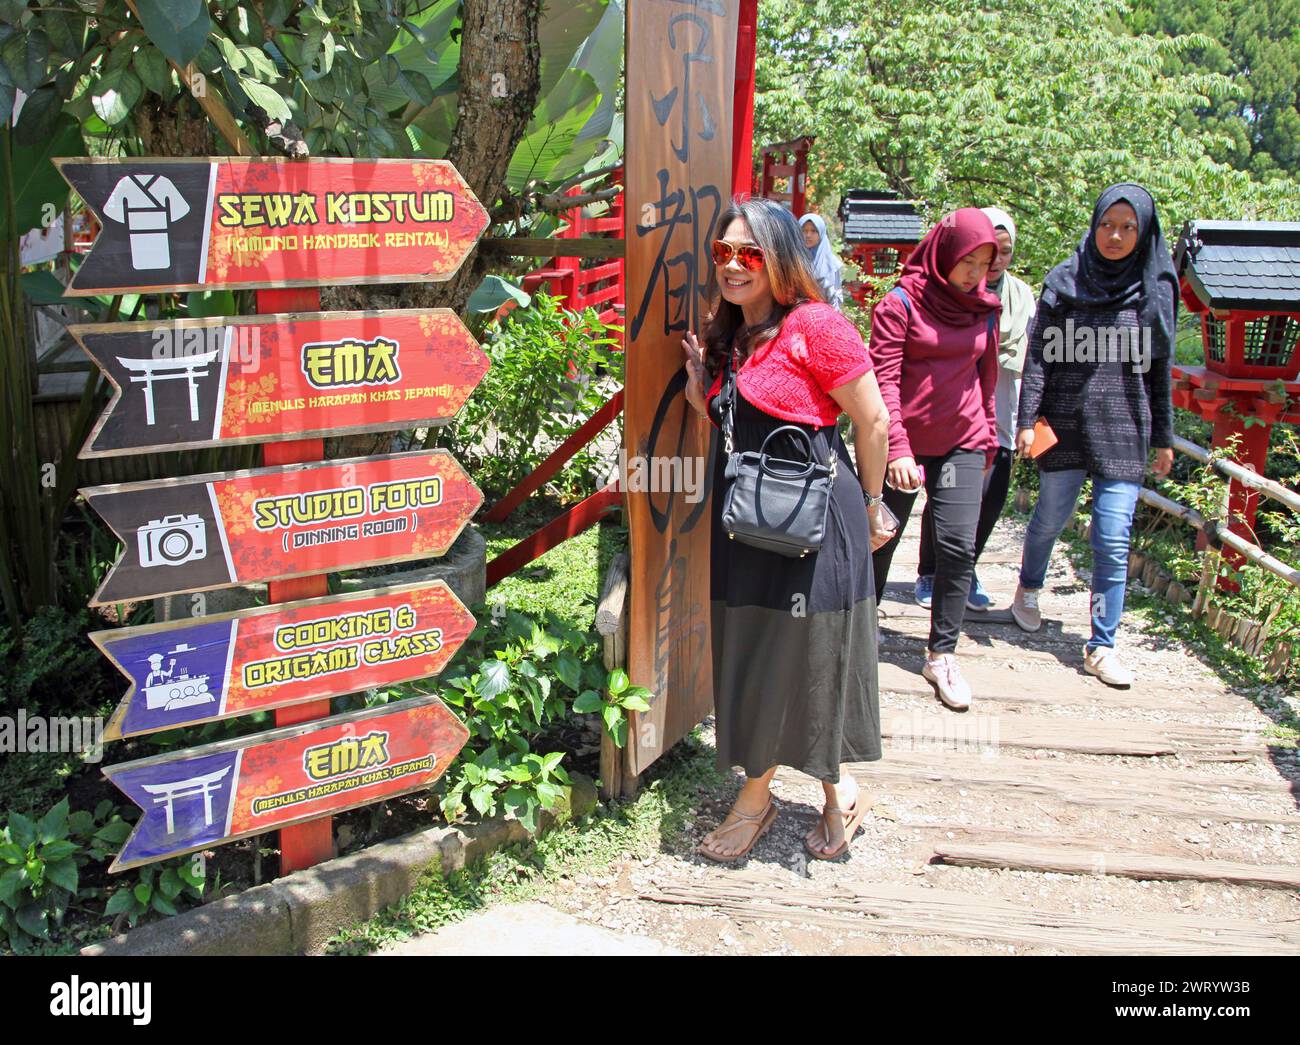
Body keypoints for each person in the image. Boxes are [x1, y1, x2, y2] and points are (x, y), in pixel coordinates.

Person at [680, 197, 894, 863]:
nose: (735, 265)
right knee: (769, 650)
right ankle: (839, 793)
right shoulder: (731, 335)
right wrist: (700, 383)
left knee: (810, 652)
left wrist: (872, 501)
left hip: (813, 523)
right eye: (724, 253)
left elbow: (874, 420)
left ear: (780, 259)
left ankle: (755, 799)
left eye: (750, 253)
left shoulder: (818, 327)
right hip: (748, 521)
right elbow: (736, 421)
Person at [1012, 183, 1176, 686]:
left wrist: (1164, 437)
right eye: (1108, 224)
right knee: (1048, 519)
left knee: (1111, 537)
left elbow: (1160, 369)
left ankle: (1102, 644)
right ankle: (1028, 588)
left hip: (1125, 428)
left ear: (1143, 231)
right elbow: (1039, 356)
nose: (1116, 236)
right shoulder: (1065, 280)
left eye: (1128, 227)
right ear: (1094, 223)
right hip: (1059, 425)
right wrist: (1025, 420)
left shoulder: (1155, 286)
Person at [868, 208, 1002, 711]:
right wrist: (898, 447)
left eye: (985, 263)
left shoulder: (985, 308)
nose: (975, 274)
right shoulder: (900, 304)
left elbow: (985, 379)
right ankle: (862, 627)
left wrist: (987, 437)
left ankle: (941, 652)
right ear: (946, 253)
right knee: (881, 535)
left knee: (957, 545)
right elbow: (883, 382)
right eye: (968, 261)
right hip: (902, 442)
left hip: (963, 439)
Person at [914, 206, 1036, 611]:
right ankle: (933, 571)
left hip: (1004, 408)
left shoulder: (1021, 297)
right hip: (950, 415)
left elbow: (1034, 358)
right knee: (948, 499)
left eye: (1003, 252)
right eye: (986, 254)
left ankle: (964, 569)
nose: (995, 262)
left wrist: (1031, 418)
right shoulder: (947, 293)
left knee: (990, 498)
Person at [798, 212, 845, 310]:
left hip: (822, 316)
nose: (808, 235)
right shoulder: (792, 260)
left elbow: (836, 296)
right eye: (804, 231)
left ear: (821, 233)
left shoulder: (832, 264)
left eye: (814, 231)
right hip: (794, 315)